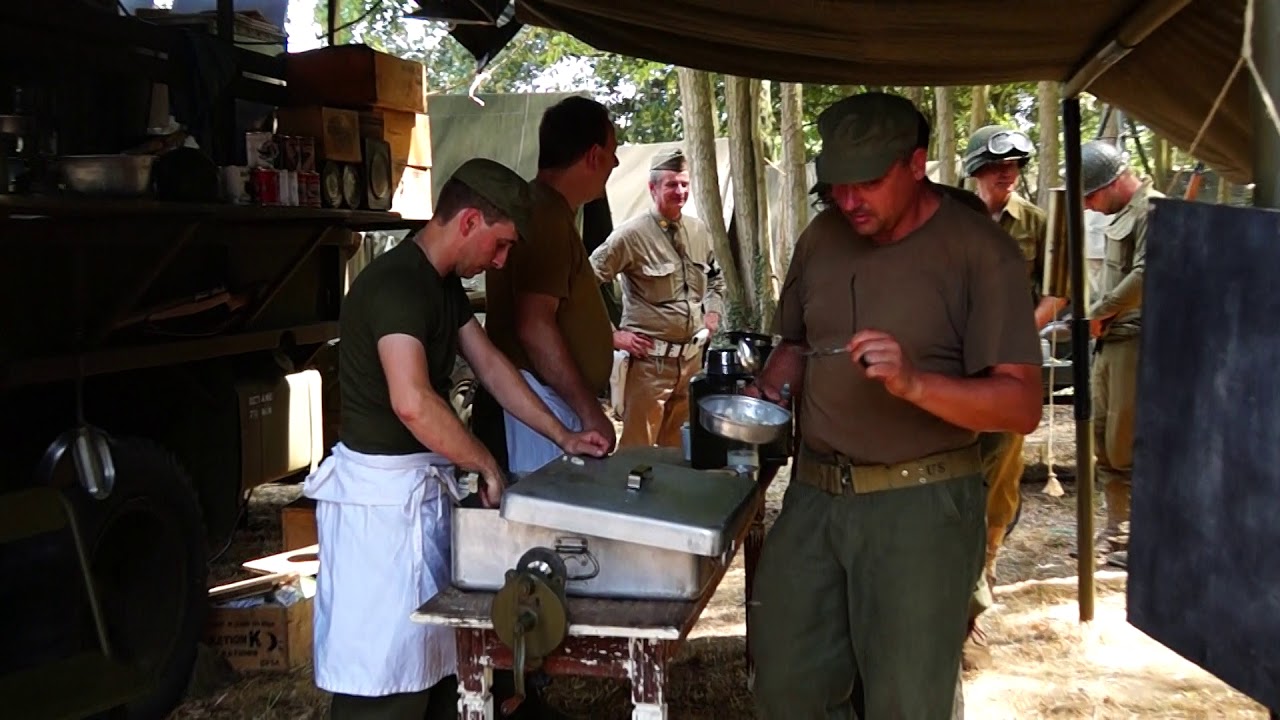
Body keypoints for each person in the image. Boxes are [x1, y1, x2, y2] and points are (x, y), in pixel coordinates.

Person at [746, 92, 1043, 719]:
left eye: (868, 182)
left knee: (907, 702)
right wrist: (769, 392)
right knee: (786, 685)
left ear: (916, 163)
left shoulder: (978, 249)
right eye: (838, 185)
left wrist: (915, 384)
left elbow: (1021, 405)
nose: (849, 200)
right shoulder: (823, 236)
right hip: (815, 496)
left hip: (921, 506)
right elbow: (796, 343)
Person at [303, 158, 610, 720]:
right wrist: (485, 463)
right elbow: (413, 401)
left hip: (417, 500)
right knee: (384, 679)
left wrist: (563, 434)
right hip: (380, 514)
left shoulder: (440, 286)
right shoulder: (396, 285)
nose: (501, 261)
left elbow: (492, 367)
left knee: (440, 666)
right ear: (469, 221)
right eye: (501, 244)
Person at [959, 124, 1069, 668]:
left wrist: (1015, 335)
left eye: (1016, 166)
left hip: (1010, 365)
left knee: (1002, 468)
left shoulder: (1040, 224)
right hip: (953, 363)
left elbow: (1056, 294)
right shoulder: (950, 217)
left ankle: (986, 573)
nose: (1008, 174)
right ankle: (955, 593)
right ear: (975, 170)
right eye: (998, 166)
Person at [476, 96, 620, 476]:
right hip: (532, 408)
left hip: (541, 401)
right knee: (539, 511)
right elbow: (534, 326)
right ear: (593, 156)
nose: (616, 164)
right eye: (613, 152)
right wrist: (590, 412)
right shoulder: (545, 215)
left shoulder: (545, 209)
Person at [589, 146, 725, 448]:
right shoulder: (630, 236)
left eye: (684, 184)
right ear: (653, 188)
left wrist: (713, 313)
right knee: (637, 453)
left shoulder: (698, 231)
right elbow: (582, 284)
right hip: (649, 365)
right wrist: (611, 336)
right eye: (671, 184)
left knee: (677, 451)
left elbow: (716, 278)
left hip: (691, 363)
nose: (680, 191)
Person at [1080, 139, 1162, 568]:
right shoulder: (1122, 214)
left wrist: (1100, 311)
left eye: (1091, 196)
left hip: (1138, 340)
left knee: (1126, 441)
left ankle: (1139, 536)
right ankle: (1116, 531)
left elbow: (1147, 275)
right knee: (1104, 441)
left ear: (1113, 183)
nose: (1088, 206)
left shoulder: (1152, 210)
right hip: (1110, 341)